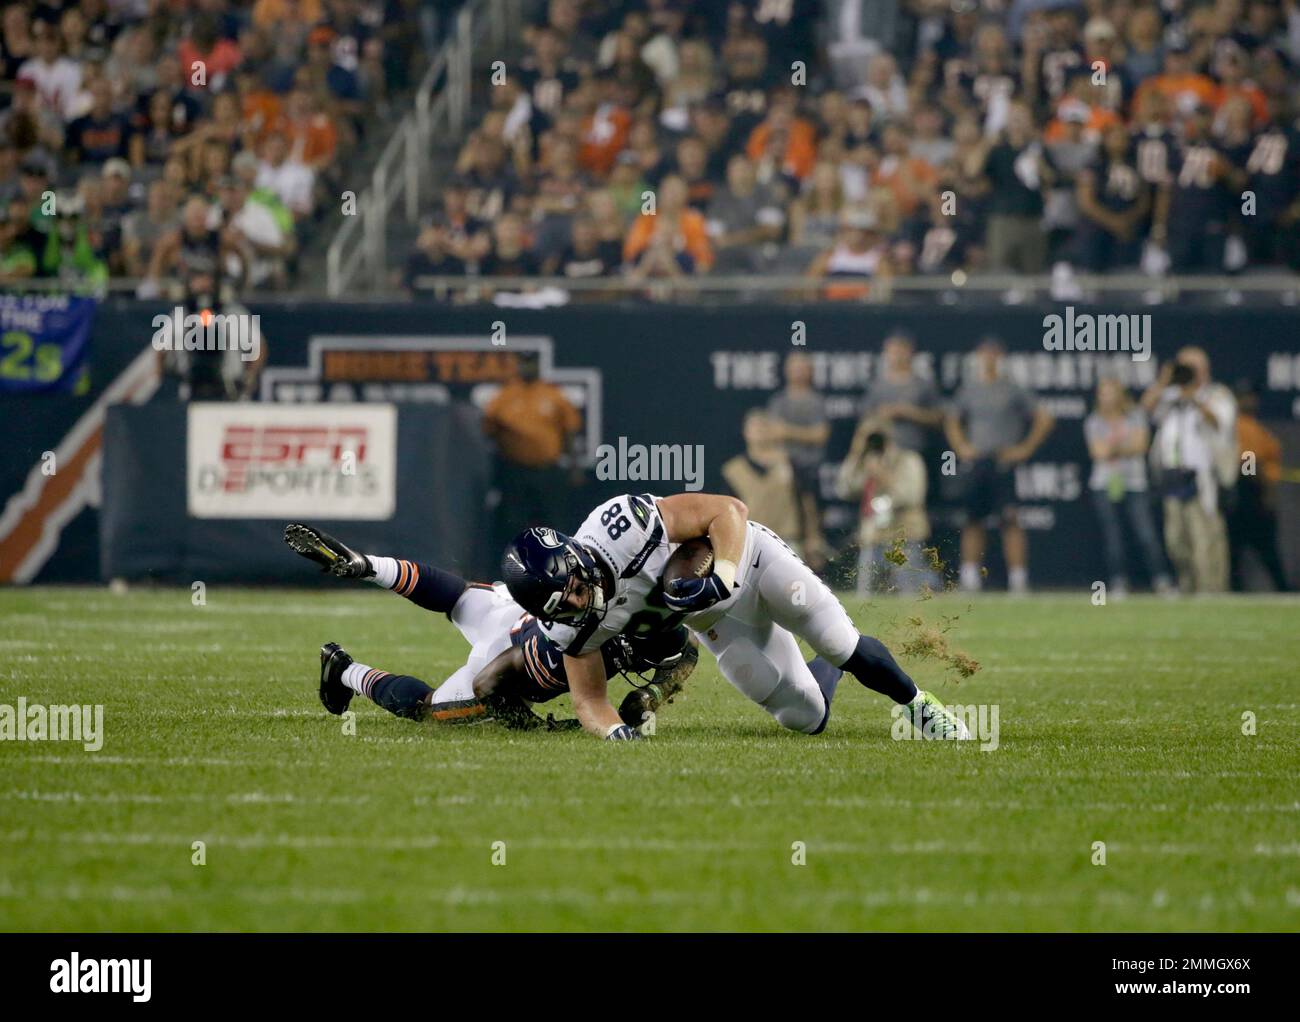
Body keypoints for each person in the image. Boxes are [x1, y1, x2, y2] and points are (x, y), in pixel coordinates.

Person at [500, 493, 972, 741]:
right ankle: (833, 671)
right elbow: (589, 701)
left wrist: (723, 572)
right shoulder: (567, 624)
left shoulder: (621, 525)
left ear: (576, 558)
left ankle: (921, 708)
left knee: (836, 639)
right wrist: (615, 735)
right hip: (715, 621)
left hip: (750, 561)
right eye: (565, 606)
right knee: (805, 717)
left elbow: (728, 511)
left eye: (577, 590)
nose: (580, 605)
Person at [283, 523, 696, 731]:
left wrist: (650, 694)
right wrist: (528, 727)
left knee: (459, 596)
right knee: (429, 710)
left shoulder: (641, 604)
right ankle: (345, 671)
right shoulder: (560, 647)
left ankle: (366, 564)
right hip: (504, 647)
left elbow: (685, 651)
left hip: (506, 609)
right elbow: (488, 683)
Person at [945, 339, 1054, 593]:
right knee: (973, 520)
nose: (989, 358)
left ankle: (1018, 579)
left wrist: (1025, 448)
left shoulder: (1012, 388)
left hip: (1003, 461)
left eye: (993, 354)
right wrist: (961, 446)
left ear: (1001, 357)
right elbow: (952, 419)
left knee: (1010, 519)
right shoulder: (969, 388)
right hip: (978, 460)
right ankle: (970, 578)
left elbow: (1044, 418)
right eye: (985, 353)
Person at [1142, 347, 1237, 593]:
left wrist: (1194, 396)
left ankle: (1212, 591)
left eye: (1191, 368)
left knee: (1205, 540)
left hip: (1204, 478)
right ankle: (1188, 587)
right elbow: (1146, 409)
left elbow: (1220, 424)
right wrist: (1164, 381)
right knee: (1176, 541)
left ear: (1204, 370)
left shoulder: (1217, 395)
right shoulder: (1170, 395)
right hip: (1173, 477)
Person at [482, 352, 582, 553]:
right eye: (524, 363)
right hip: (514, 472)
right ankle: (512, 567)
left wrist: (573, 467)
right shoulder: (505, 395)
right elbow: (488, 430)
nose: (527, 368)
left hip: (547, 471)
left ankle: (563, 567)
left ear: (538, 365)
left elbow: (569, 431)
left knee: (554, 523)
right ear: (518, 366)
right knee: (512, 523)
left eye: (531, 364)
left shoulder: (552, 394)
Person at [1083, 379, 1173, 597]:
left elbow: (1140, 446)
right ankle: (1118, 582)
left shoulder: (1135, 416)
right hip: (1104, 483)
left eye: (1110, 393)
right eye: (1102, 394)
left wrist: (1113, 447)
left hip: (1134, 482)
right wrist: (1124, 446)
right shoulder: (1094, 421)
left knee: (1146, 534)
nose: (1107, 398)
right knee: (1113, 536)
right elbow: (1098, 453)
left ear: (1120, 395)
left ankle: (1162, 580)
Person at [835, 419, 935, 595]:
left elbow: (912, 496)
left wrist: (884, 477)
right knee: (867, 598)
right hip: (873, 537)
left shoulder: (909, 460)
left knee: (909, 595)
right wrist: (856, 452)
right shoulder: (865, 461)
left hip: (904, 537)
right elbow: (844, 489)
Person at [765, 352, 830, 570]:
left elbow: (820, 434)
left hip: (810, 472)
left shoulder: (815, 401)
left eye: (802, 367)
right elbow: (772, 435)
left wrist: (788, 432)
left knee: (812, 525)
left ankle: (817, 573)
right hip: (784, 473)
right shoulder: (778, 401)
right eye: (794, 367)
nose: (798, 372)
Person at [1228, 383, 1290, 591]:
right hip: (1248, 493)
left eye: (1252, 397)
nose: (1249, 401)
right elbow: (1247, 464)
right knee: (1241, 552)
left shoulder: (1257, 428)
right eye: (1244, 397)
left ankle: (1281, 589)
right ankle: (1238, 590)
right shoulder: (1242, 426)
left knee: (1257, 552)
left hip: (1252, 494)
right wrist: (1259, 487)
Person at [720, 410, 801, 548]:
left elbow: (806, 499)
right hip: (752, 540)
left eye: (764, 426)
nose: (760, 430)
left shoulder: (789, 463)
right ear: (745, 432)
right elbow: (728, 512)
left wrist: (813, 537)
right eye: (754, 427)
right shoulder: (732, 470)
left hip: (788, 540)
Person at [859, 331, 943, 453]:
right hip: (882, 452)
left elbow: (938, 418)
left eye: (901, 351)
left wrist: (910, 412)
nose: (897, 356)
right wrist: (882, 414)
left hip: (914, 450)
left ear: (911, 352)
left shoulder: (924, 384)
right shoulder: (876, 386)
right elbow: (865, 419)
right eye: (893, 351)